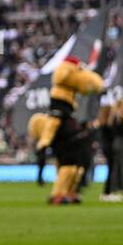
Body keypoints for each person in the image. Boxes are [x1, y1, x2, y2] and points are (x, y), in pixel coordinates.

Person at [44, 55, 104, 205]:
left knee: (75, 168)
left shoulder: (67, 112)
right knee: (67, 168)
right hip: (64, 144)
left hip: (70, 142)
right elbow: (53, 124)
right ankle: (57, 194)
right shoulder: (59, 111)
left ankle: (70, 192)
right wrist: (45, 141)